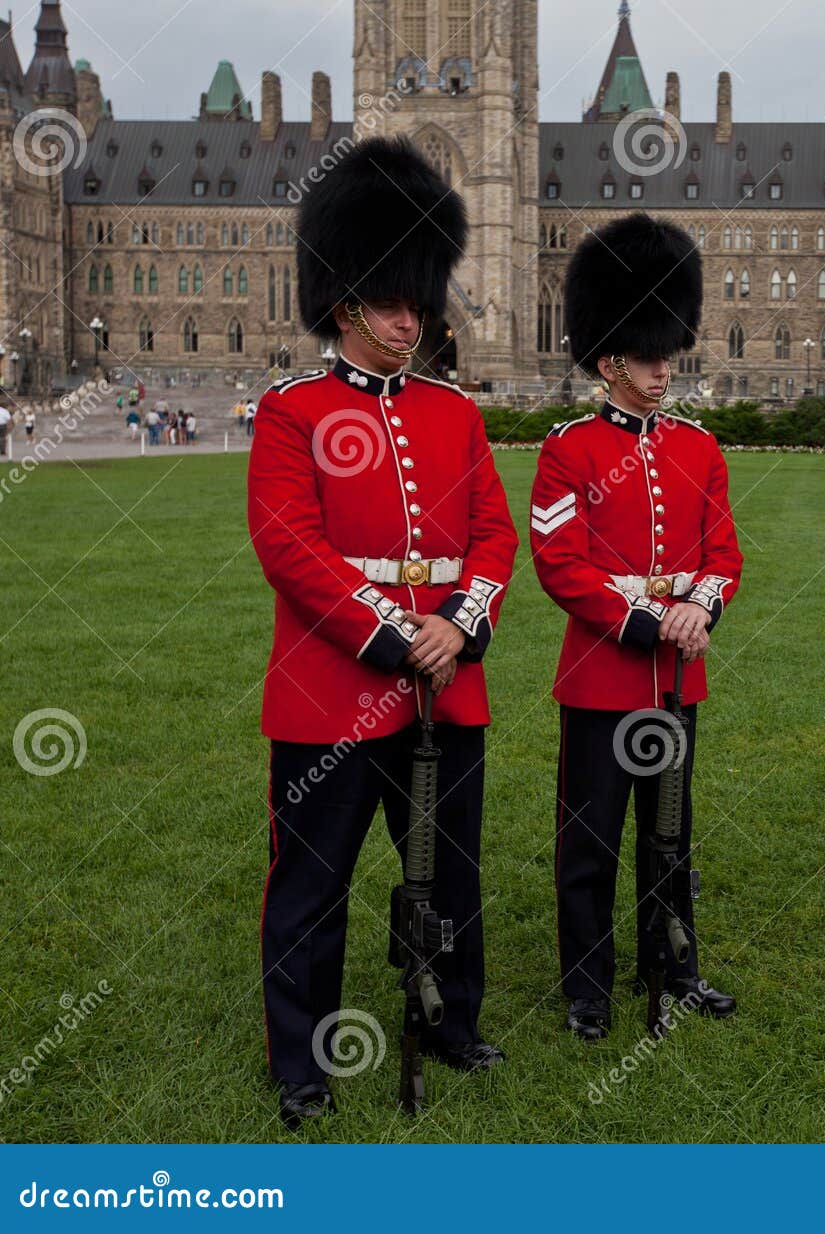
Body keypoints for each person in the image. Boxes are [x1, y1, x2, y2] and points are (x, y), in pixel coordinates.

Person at [246, 136, 518, 1129]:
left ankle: (451, 1019)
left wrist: (459, 624)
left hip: (449, 684)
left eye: (421, 300)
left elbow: (494, 537)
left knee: (447, 866)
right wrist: (401, 636)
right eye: (394, 302)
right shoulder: (291, 413)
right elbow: (292, 550)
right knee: (313, 880)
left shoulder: (455, 415)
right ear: (345, 301)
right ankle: (302, 1058)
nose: (414, 319)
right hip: (334, 692)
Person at [529, 212, 744, 1041]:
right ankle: (588, 985)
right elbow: (563, 567)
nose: (665, 368)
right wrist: (658, 618)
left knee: (670, 833)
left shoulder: (699, 448)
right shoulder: (568, 450)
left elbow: (723, 552)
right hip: (604, 678)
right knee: (590, 841)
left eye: (668, 353)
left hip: (678, 679)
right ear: (611, 359)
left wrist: (703, 607)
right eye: (649, 356)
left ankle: (675, 966)